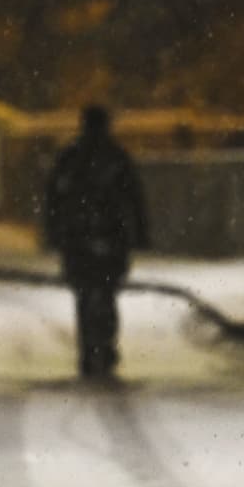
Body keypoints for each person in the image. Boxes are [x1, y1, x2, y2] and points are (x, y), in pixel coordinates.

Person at [44, 105, 149, 380]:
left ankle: (89, 347)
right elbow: (134, 200)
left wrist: (53, 234)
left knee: (83, 294)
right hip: (111, 236)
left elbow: (53, 199)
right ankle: (106, 343)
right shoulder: (116, 157)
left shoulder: (70, 156)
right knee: (108, 292)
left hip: (77, 238)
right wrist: (140, 235)